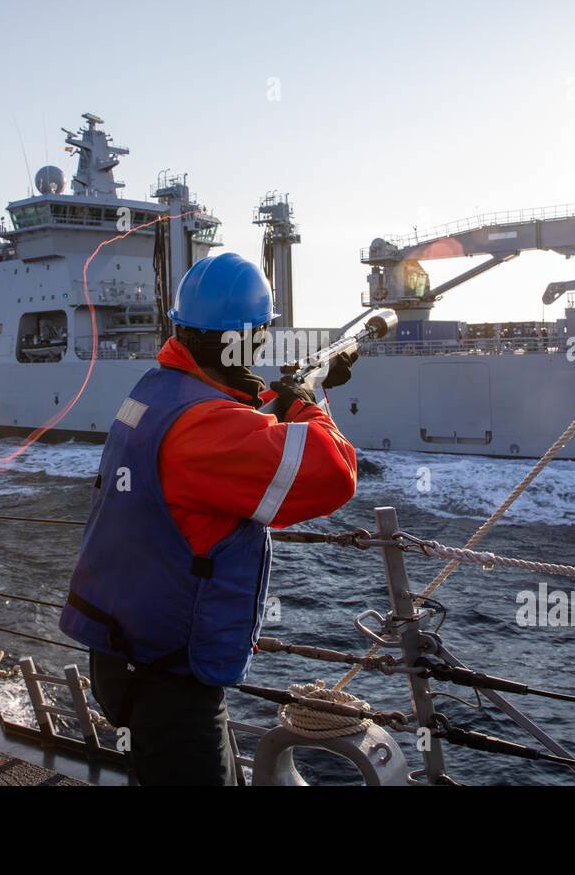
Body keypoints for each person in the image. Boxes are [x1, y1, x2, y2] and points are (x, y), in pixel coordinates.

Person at [59, 253, 358, 785]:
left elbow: (227, 424)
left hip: (126, 652)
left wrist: (283, 396)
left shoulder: (158, 392)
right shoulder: (205, 427)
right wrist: (310, 402)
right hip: (169, 676)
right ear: (255, 337)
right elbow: (330, 474)